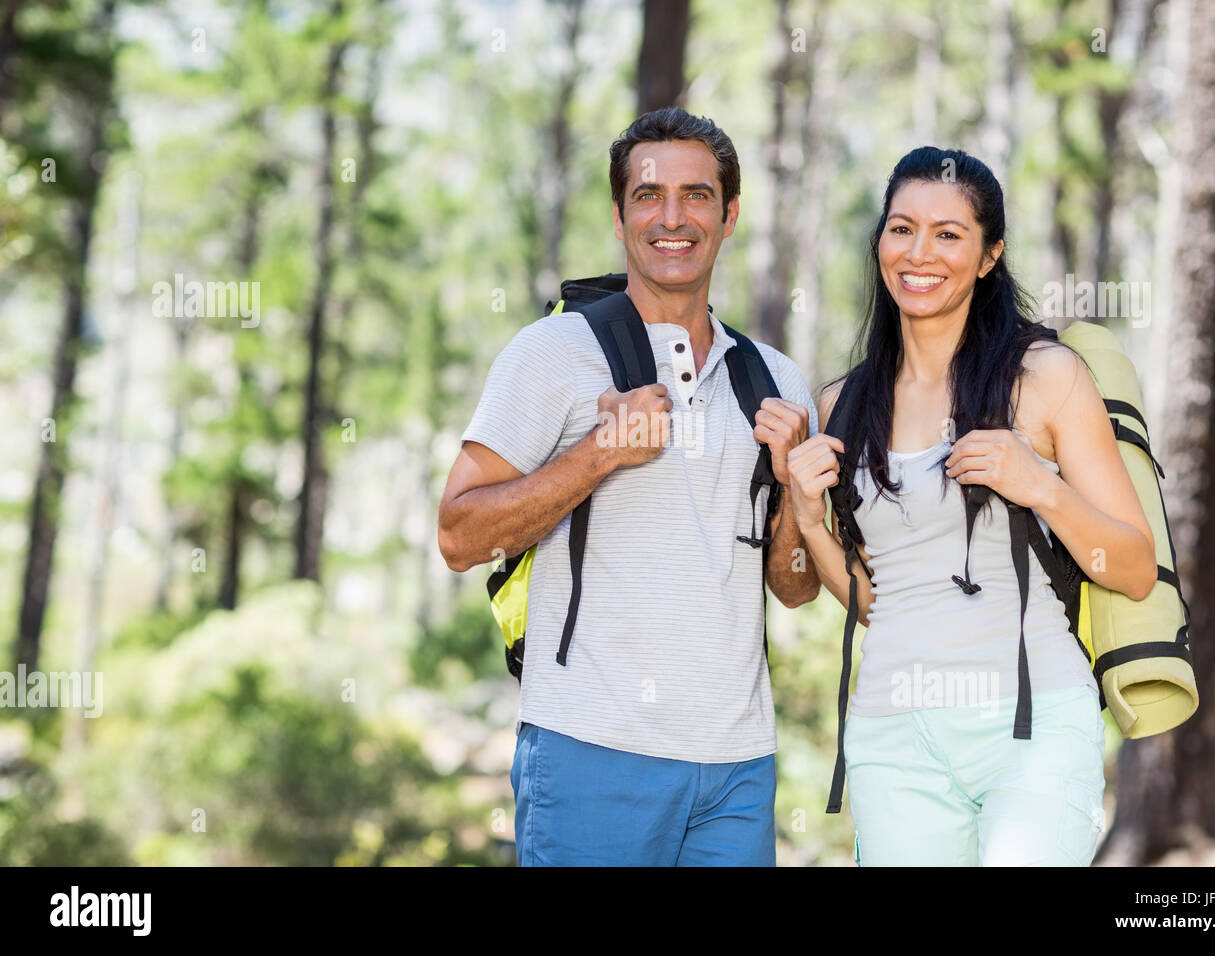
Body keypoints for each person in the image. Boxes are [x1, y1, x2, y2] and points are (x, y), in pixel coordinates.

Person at [437, 108, 821, 866]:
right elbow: (458, 535)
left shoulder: (776, 380)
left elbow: (798, 588)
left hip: (736, 769)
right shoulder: (552, 353)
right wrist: (598, 455)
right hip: (590, 749)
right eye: (648, 196)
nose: (672, 218)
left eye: (697, 196)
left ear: (730, 214)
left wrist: (794, 497)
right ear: (618, 217)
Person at [786, 146, 1158, 866]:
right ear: (880, 242)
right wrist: (806, 519)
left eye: (949, 234)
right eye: (902, 229)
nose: (919, 253)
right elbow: (875, 603)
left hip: (1031, 722)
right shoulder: (844, 403)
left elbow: (1136, 568)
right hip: (893, 734)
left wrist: (1039, 484)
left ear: (990, 256)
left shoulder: (1046, 378)